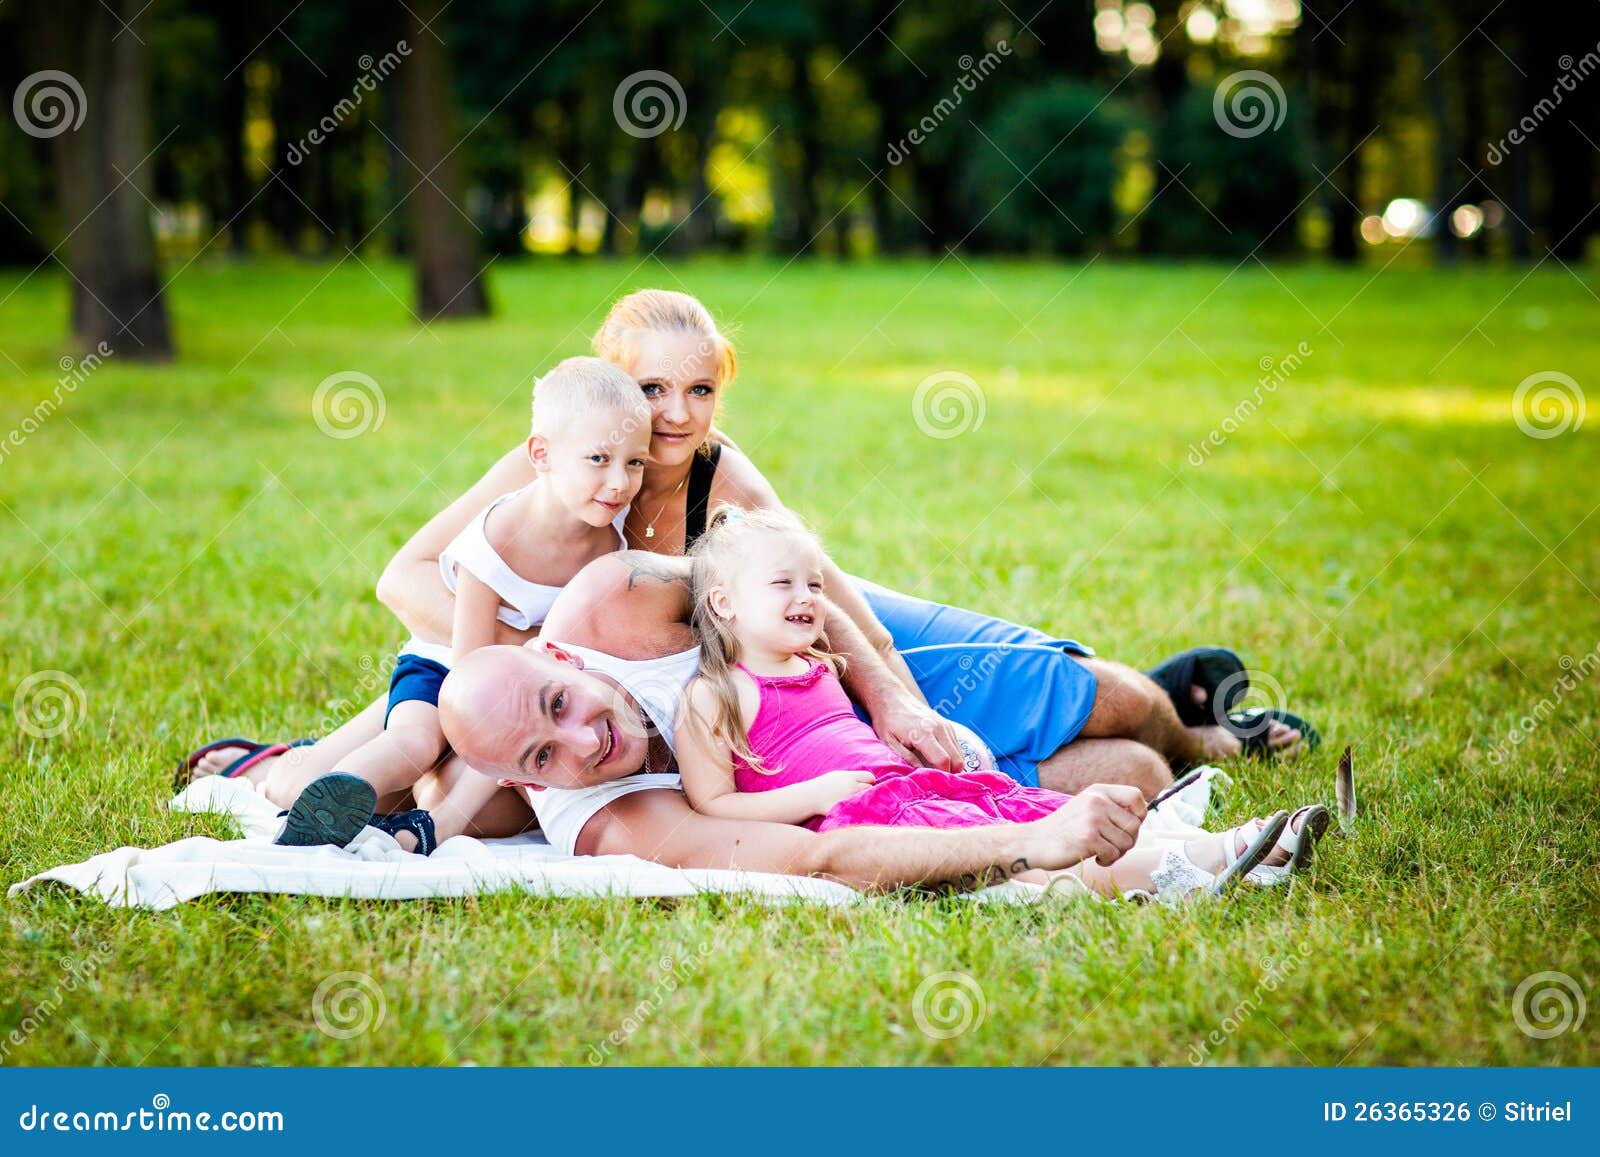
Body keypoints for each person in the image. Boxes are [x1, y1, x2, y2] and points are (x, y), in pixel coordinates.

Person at [667, 504, 1324, 899]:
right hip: (863, 820)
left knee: (1038, 810)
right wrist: (813, 796)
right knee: (1023, 863)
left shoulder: (820, 664)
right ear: (724, 602)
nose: (808, 598)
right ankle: (1208, 861)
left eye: (814, 583)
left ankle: (1207, 845)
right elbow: (716, 806)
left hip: (914, 788)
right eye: (783, 583)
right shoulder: (714, 695)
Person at [268, 358, 652, 852]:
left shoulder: (615, 529)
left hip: (526, 690)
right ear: (541, 455)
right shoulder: (497, 537)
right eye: (599, 459)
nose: (620, 482)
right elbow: (469, 671)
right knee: (414, 742)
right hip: (445, 669)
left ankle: (416, 820)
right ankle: (324, 806)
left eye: (635, 463)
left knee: (509, 738)